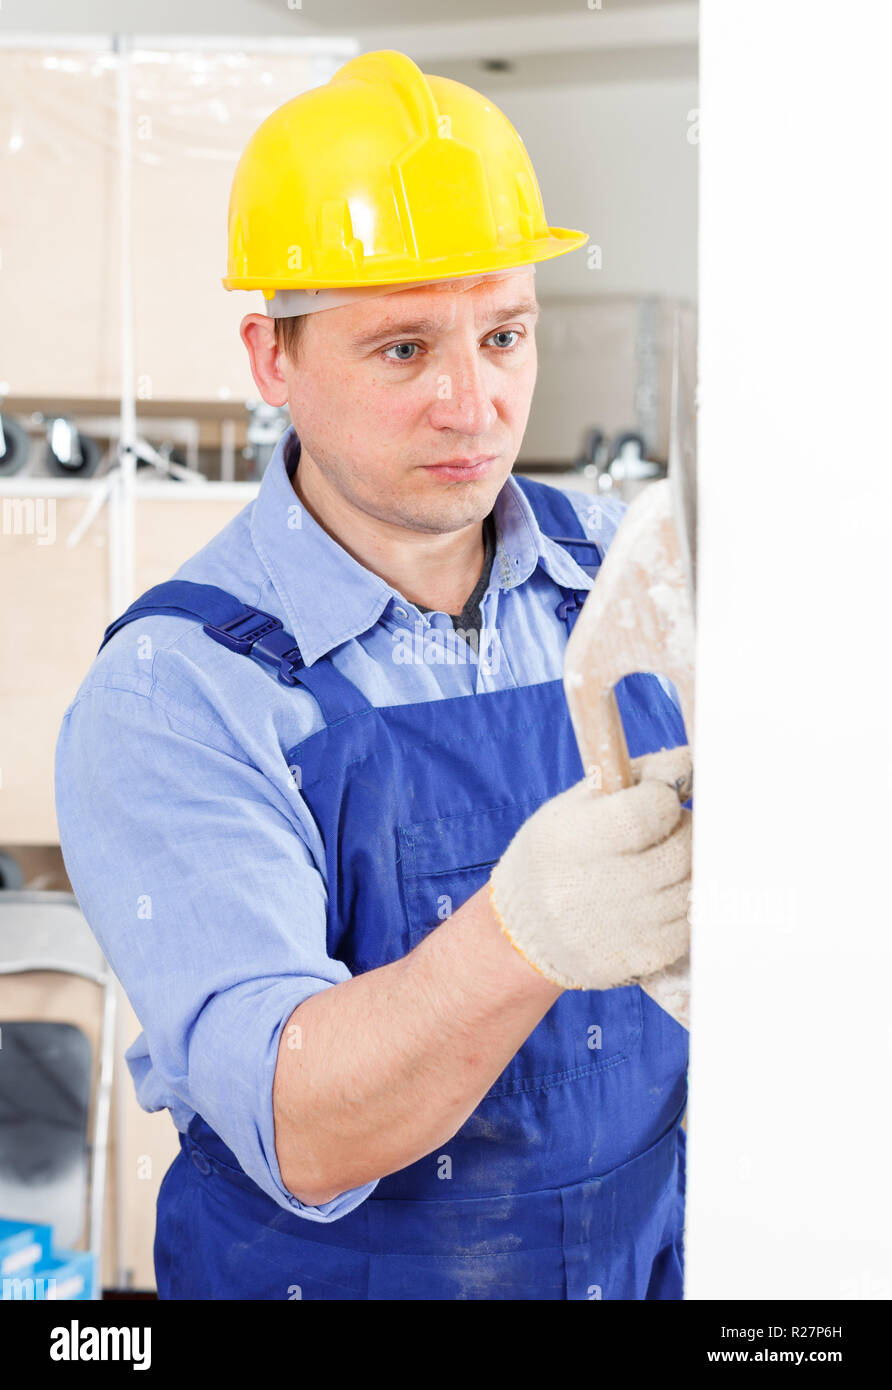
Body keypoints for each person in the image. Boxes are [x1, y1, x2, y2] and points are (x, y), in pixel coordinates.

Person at [54, 50, 692, 1301]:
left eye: (504, 334)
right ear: (272, 358)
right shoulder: (177, 693)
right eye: (402, 349)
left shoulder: (629, 575)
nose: (474, 403)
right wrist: (528, 935)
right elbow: (304, 1124)